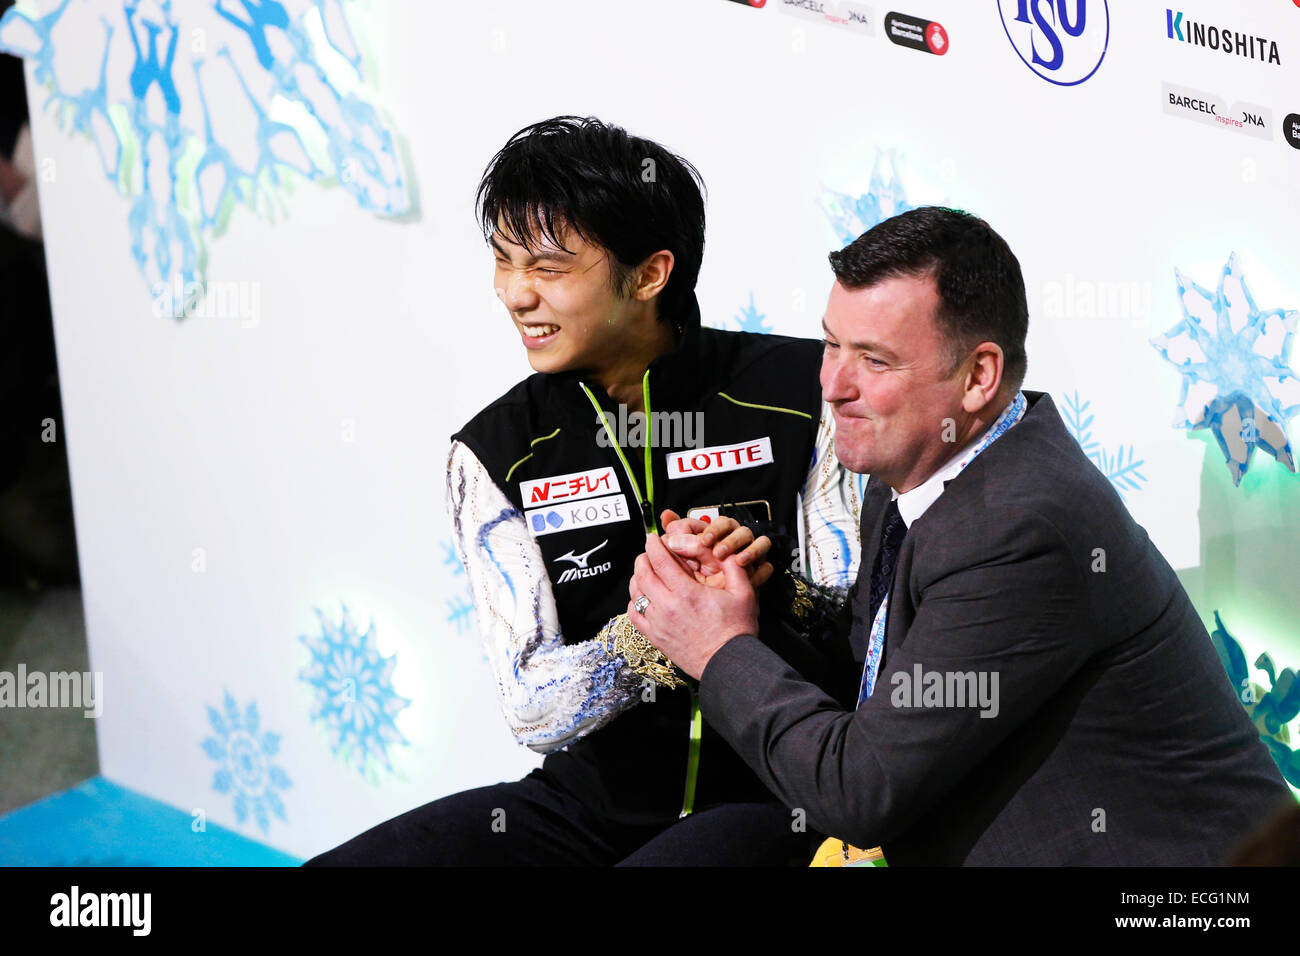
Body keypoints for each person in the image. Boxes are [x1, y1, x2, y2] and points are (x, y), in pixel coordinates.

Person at [627, 206, 1295, 865]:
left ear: (979, 377)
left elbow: (859, 791)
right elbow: (875, 691)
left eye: (875, 361)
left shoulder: (1023, 527)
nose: (833, 385)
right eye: (832, 344)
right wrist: (751, 595)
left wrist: (715, 647)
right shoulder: (917, 477)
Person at [306, 116, 860, 866]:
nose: (513, 295)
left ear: (649, 274)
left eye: (547, 268)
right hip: (582, 811)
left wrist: (756, 585)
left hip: (775, 803)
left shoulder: (803, 393)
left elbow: (863, 624)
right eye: (503, 263)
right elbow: (531, 704)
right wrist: (649, 635)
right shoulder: (496, 450)